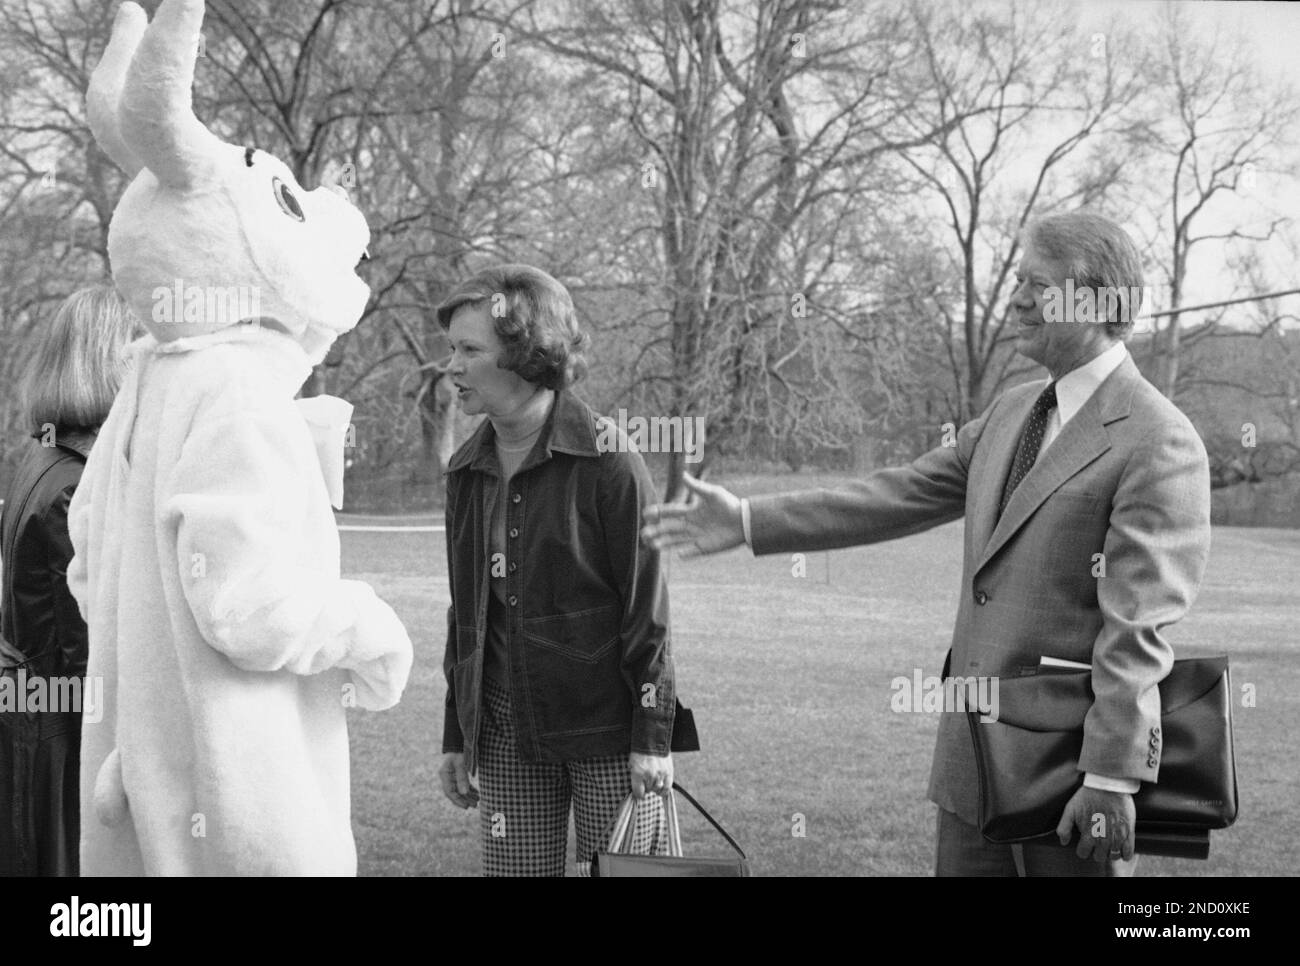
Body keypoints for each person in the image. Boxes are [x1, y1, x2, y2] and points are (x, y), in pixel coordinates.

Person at [642, 211, 1212, 877]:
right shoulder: (1011, 412)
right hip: (972, 764)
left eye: (1036, 284)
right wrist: (747, 521)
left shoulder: (1157, 440)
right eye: (1017, 281)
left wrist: (1111, 777)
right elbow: (896, 495)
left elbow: (1136, 628)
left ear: (1091, 300)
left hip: (1071, 776)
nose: (1017, 299)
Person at [436, 264, 693, 876]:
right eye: (451, 349)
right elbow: (465, 614)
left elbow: (648, 614)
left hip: (608, 730)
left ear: (527, 353)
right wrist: (456, 732)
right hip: (504, 731)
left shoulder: (610, 462)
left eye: (470, 349)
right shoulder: (464, 471)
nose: (452, 366)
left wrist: (651, 739)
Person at [0, 285, 139, 876]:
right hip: (56, 730)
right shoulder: (72, 483)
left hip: (32, 711)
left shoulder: (43, 455)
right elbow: (83, 649)